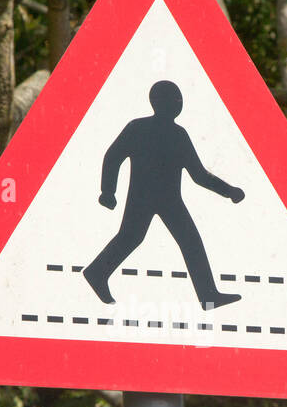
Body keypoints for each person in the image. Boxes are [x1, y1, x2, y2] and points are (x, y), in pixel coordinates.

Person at [84, 80, 244, 308]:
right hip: (148, 198)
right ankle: (97, 272)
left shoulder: (172, 133)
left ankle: (208, 296)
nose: (179, 103)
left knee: (180, 240)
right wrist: (107, 191)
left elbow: (198, 175)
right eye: (174, 99)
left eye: (180, 99)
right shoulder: (145, 129)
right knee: (141, 238)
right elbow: (113, 156)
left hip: (165, 199)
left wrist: (229, 191)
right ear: (160, 103)